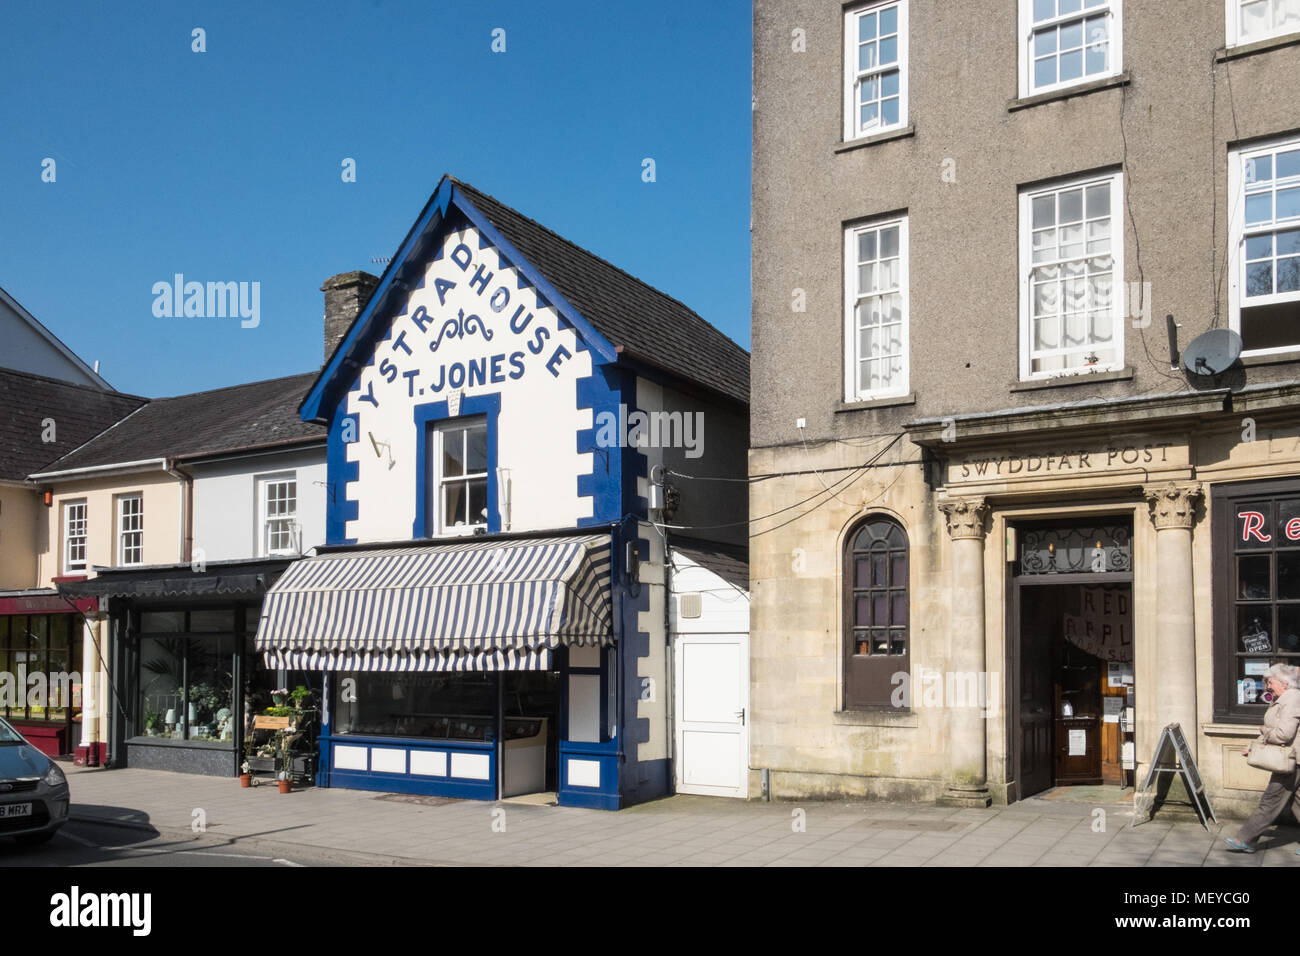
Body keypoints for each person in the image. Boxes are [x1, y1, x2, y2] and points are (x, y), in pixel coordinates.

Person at [1224, 663, 1300, 853]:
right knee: (1295, 801)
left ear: (1283, 683)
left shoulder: (1292, 700)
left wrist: (1264, 731)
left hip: (1291, 759)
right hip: (1291, 757)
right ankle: (1247, 840)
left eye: (1270, 681)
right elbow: (1272, 730)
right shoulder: (1282, 699)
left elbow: (1283, 734)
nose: (1267, 686)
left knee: (1270, 800)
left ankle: (1245, 840)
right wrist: (1252, 746)